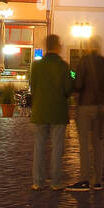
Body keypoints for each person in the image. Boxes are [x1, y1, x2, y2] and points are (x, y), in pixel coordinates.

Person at [67, 39, 104, 191]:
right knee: (98, 144)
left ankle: (85, 179)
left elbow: (78, 84)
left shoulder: (84, 61)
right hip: (100, 107)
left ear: (88, 47)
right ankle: (98, 180)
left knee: (84, 144)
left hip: (86, 107)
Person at [28, 35, 72, 191]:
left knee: (39, 147)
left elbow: (32, 87)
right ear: (57, 46)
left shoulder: (36, 66)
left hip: (40, 111)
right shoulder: (63, 66)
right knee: (57, 148)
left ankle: (38, 181)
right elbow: (68, 89)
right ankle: (55, 182)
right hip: (58, 111)